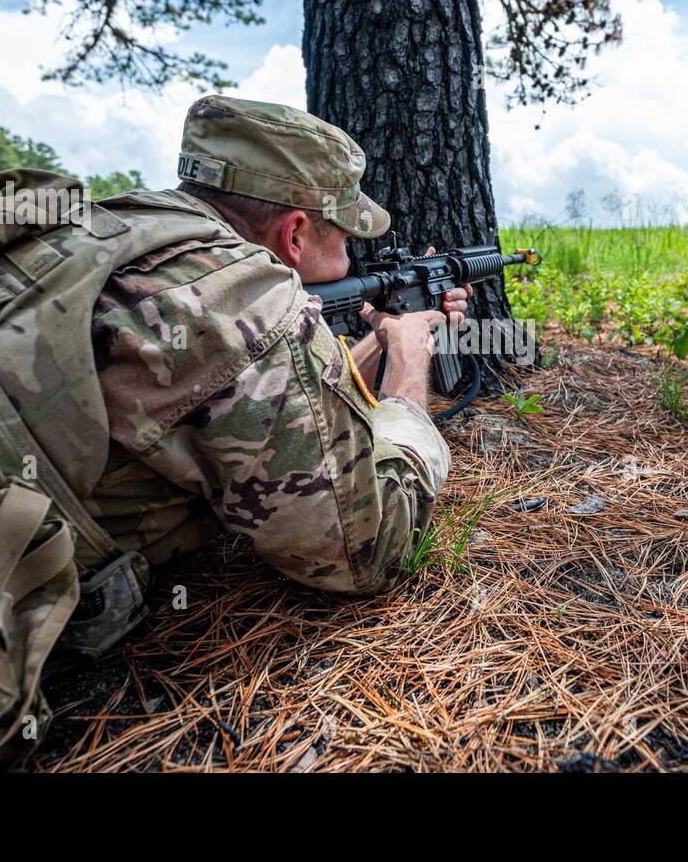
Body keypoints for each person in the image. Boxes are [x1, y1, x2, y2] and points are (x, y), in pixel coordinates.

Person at [87, 95, 469, 593]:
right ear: (294, 235)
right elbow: (372, 550)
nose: (349, 261)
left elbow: (265, 396)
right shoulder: (246, 300)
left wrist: (385, 337)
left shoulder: (127, 233)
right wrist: (410, 358)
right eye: (346, 239)